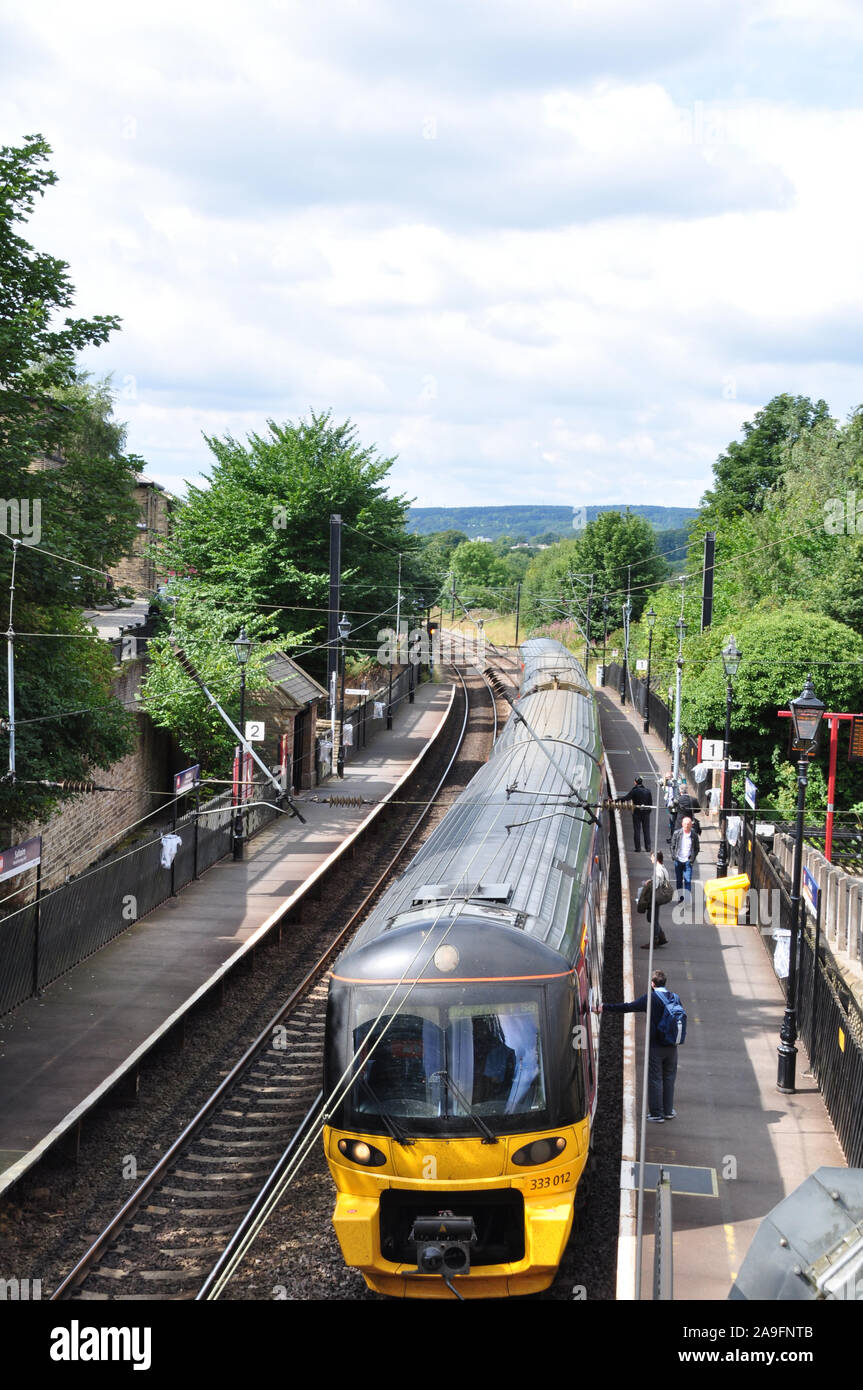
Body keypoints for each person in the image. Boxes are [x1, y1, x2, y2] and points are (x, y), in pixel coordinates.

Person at [595, 969, 682, 1122]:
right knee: (669, 1078)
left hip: (656, 1046)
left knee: (655, 1079)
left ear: (652, 984)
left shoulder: (651, 998)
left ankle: (656, 1114)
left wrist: (605, 1007)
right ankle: (668, 1111)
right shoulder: (675, 998)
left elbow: (628, 1007)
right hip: (672, 1045)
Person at [640, 851, 669, 949]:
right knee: (652, 918)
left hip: (655, 897)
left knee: (653, 919)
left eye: (652, 857)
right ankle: (661, 937)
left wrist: (648, 884)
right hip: (659, 897)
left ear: (656, 858)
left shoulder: (658, 870)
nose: (650, 858)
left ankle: (655, 940)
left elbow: (656, 885)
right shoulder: (662, 867)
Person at [620, 775, 652, 853]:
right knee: (646, 830)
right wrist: (648, 812)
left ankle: (638, 848)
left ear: (635, 782)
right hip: (645, 813)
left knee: (637, 830)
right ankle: (648, 847)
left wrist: (615, 800)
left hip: (637, 813)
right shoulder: (648, 791)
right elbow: (650, 803)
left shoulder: (634, 791)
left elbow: (625, 798)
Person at [671, 814, 700, 900]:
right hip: (678, 860)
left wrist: (692, 858)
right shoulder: (677, 833)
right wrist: (674, 856)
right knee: (679, 881)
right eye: (685, 823)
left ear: (691, 825)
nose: (687, 825)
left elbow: (697, 848)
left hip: (688, 861)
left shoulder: (694, 835)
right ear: (682, 824)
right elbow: (672, 846)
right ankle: (680, 898)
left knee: (688, 881)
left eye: (688, 824)